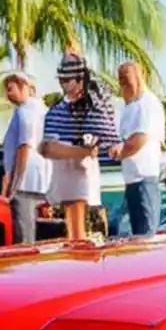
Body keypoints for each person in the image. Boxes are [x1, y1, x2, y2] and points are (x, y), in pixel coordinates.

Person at [39, 52, 120, 242]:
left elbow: (109, 139)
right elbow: (49, 149)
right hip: (69, 173)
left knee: (81, 226)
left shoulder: (95, 107)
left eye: (69, 79)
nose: (65, 83)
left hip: (84, 173)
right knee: (75, 226)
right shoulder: (56, 111)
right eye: (63, 79)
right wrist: (83, 151)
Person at [109, 61, 166, 235]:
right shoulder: (130, 106)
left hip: (144, 178)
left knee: (146, 235)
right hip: (132, 179)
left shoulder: (148, 103)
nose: (124, 84)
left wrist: (121, 151)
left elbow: (139, 139)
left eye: (127, 78)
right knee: (135, 234)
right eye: (121, 79)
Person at [0, 72, 50, 244]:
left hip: (26, 181)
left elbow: (24, 146)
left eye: (11, 89)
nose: (8, 94)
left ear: (24, 87)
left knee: (23, 234)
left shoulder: (26, 112)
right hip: (40, 178)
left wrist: (14, 181)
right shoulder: (41, 109)